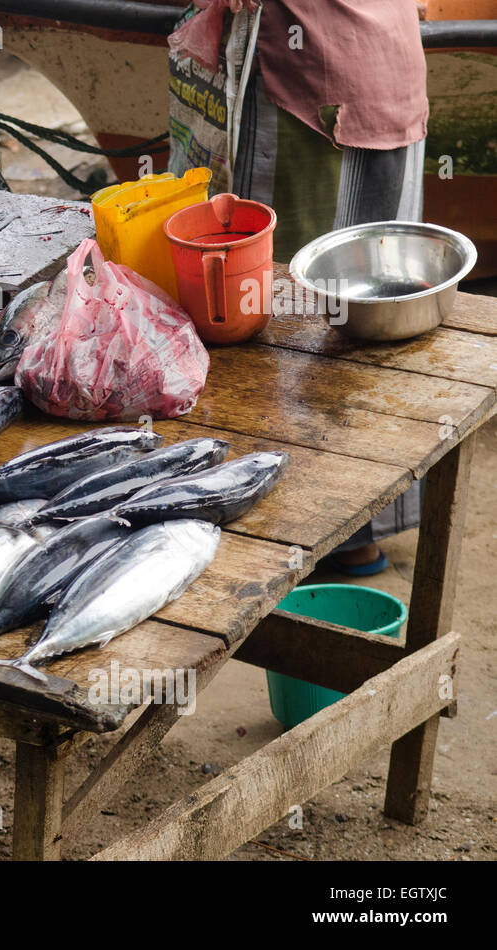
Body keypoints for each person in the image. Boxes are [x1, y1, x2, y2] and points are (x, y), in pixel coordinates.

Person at [229, 0, 428, 575]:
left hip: (314, 90)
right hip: (379, 70)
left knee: (300, 319)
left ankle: (311, 525)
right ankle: (354, 525)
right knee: (370, 313)